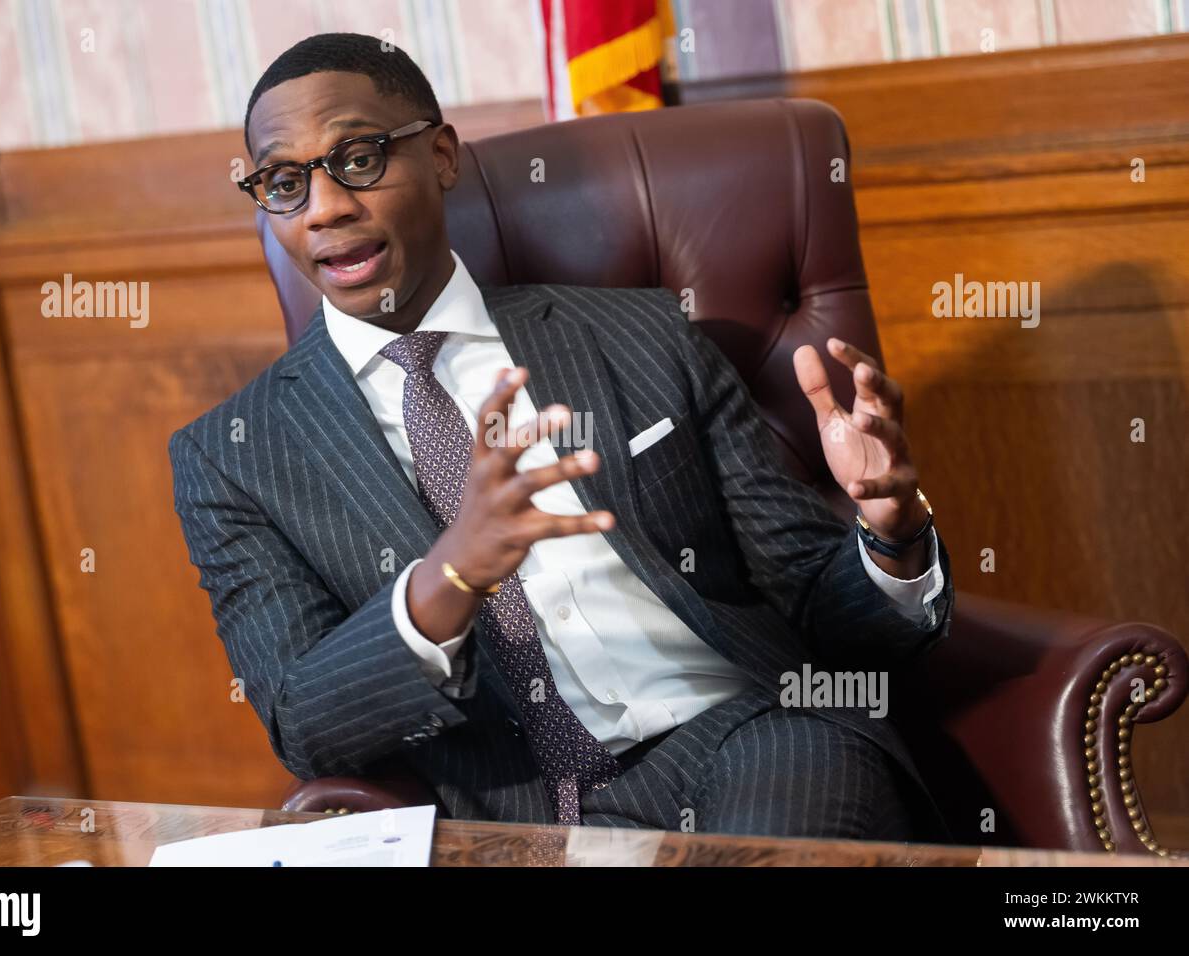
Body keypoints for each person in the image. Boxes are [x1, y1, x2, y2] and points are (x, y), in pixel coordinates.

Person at [170, 32, 954, 840]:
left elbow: (823, 614)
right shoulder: (232, 456)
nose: (326, 207)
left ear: (441, 156)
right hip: (509, 824)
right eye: (285, 181)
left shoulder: (641, 337)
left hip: (745, 746)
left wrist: (890, 532)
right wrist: (451, 573)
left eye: (360, 157)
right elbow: (306, 724)